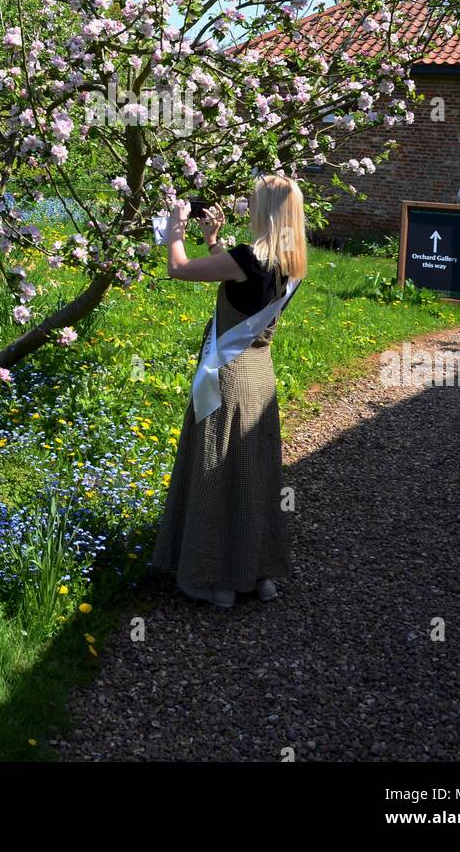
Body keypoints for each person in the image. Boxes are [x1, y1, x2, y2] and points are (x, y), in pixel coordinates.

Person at [152, 174, 307, 609]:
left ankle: (213, 578)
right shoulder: (290, 261)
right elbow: (243, 291)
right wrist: (214, 241)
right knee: (253, 476)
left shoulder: (247, 258)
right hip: (260, 374)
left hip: (229, 377)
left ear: (267, 211)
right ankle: (257, 575)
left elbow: (177, 269)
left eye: (255, 201)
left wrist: (176, 229)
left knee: (217, 474)